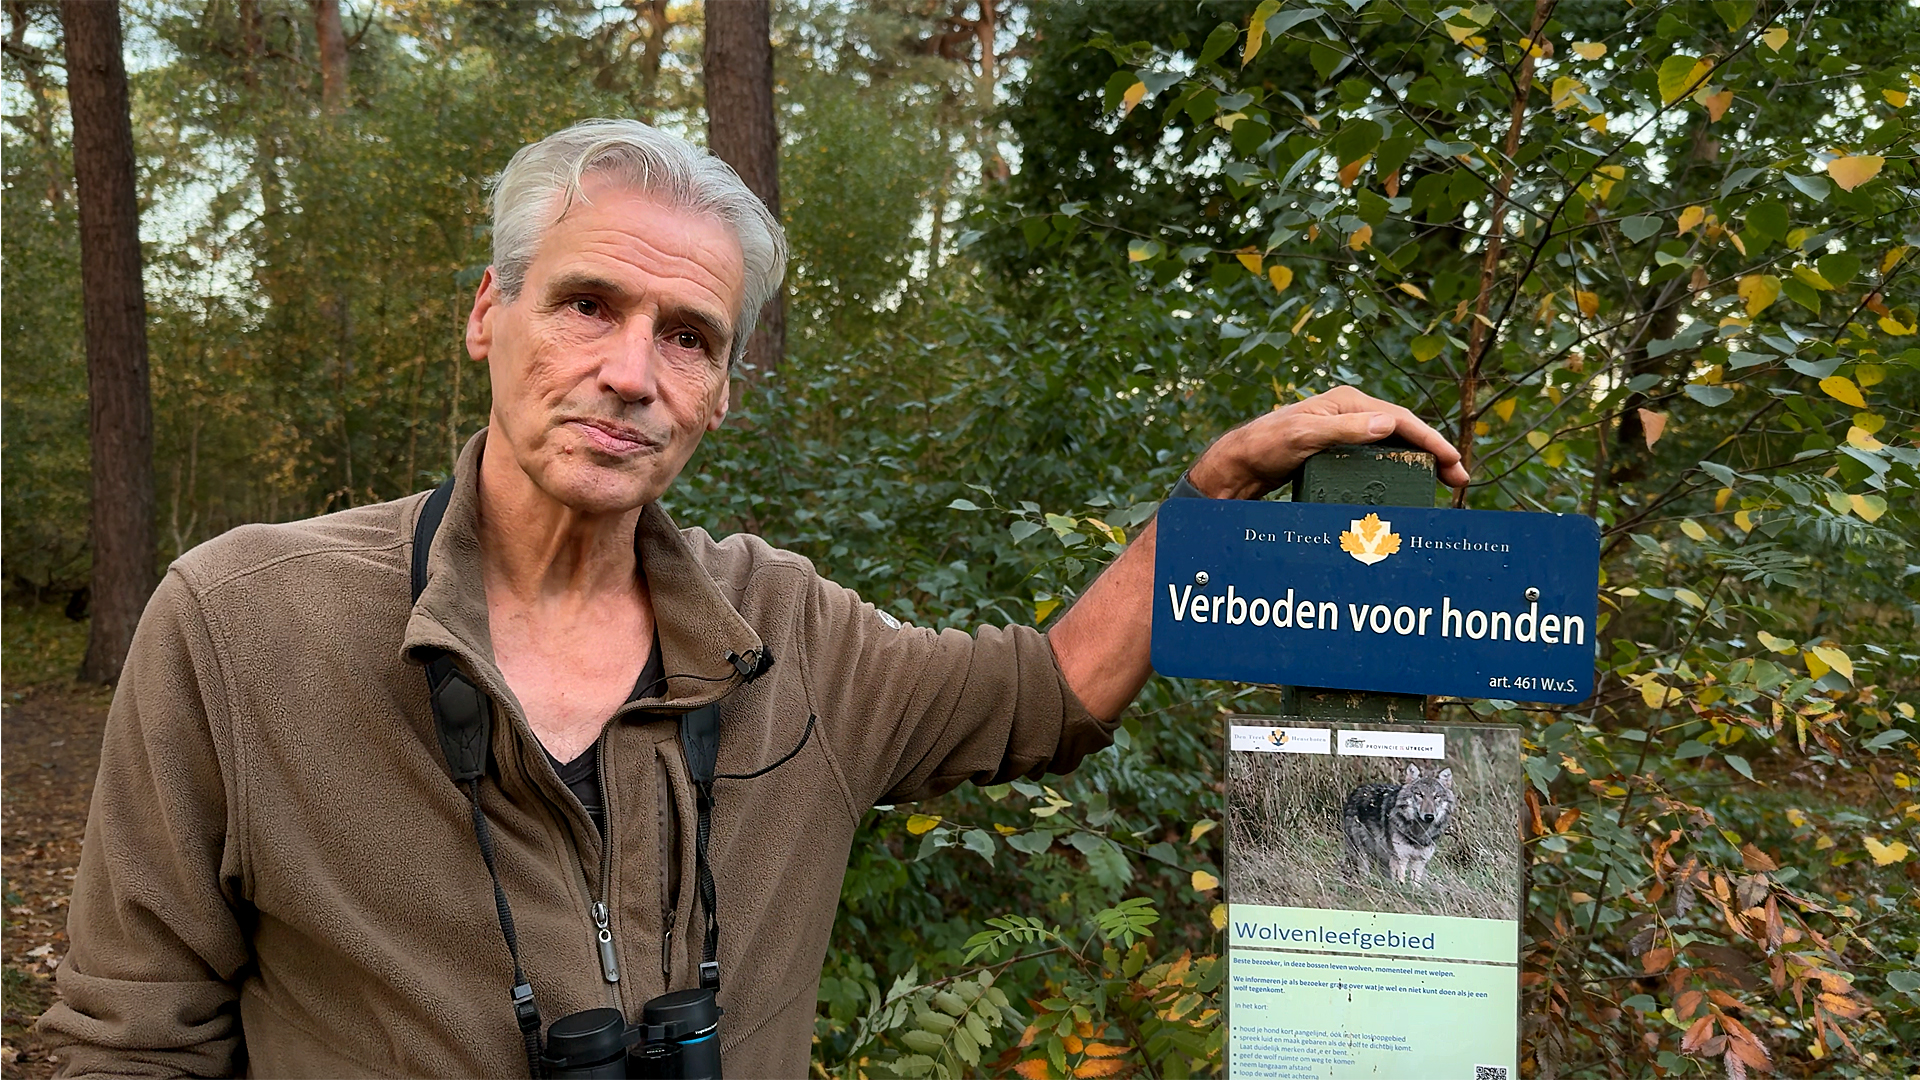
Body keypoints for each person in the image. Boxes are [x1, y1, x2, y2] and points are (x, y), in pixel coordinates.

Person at [39, 119, 1467, 1078]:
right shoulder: (243, 623)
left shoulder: (791, 638)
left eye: (688, 337)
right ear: (491, 313)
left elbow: (1044, 694)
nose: (629, 371)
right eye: (587, 304)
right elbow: (128, 1040)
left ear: (719, 391)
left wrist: (1207, 510)